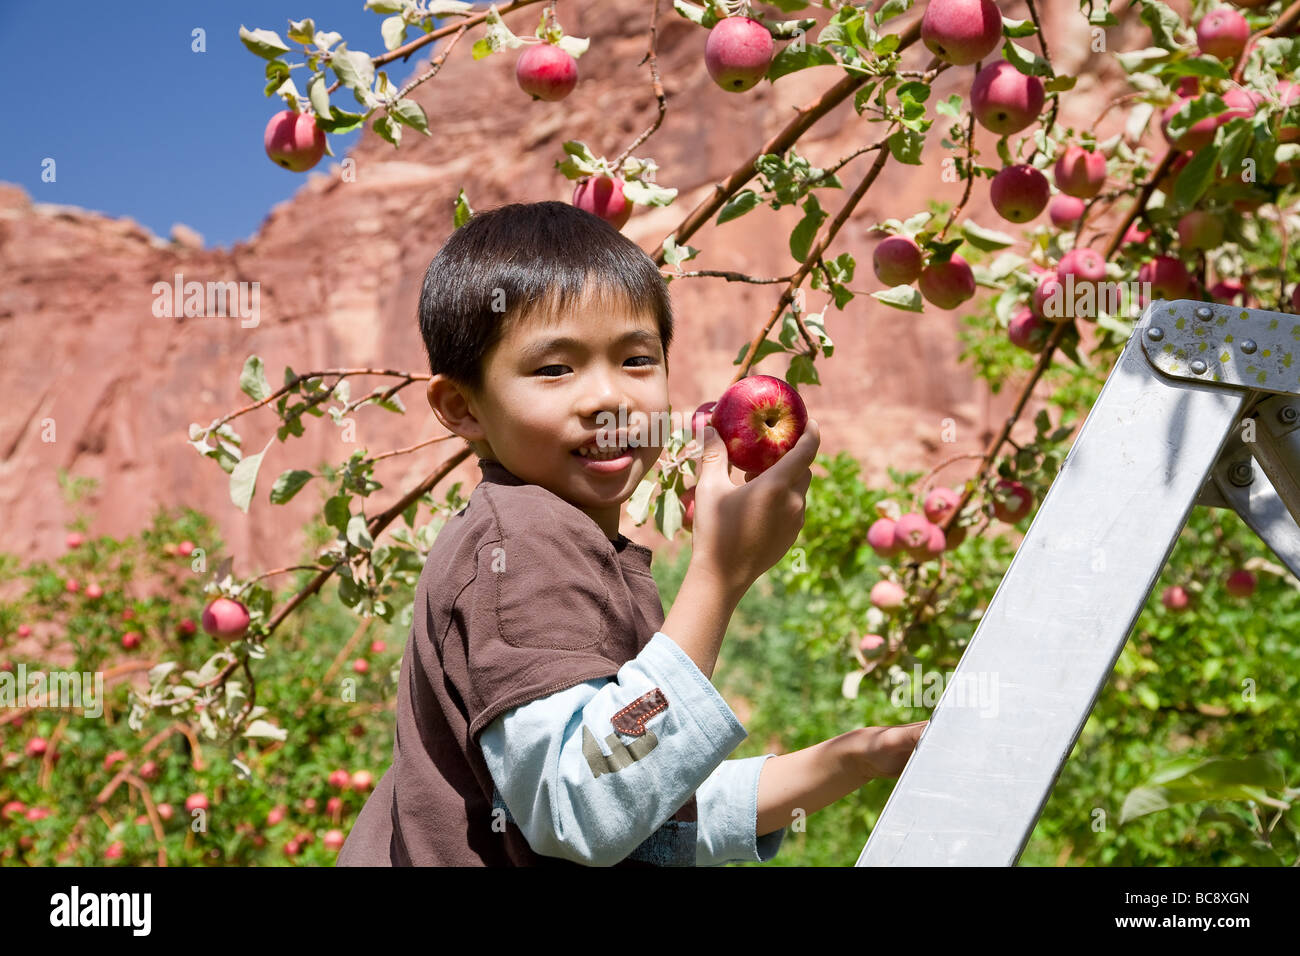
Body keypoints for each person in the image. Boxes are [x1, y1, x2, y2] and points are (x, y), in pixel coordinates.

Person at [338, 200, 926, 866]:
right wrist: (719, 576)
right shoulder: (523, 542)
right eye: (555, 369)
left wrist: (854, 758)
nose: (608, 397)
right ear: (462, 407)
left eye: (637, 360)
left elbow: (642, 805)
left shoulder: (563, 541)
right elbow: (588, 807)